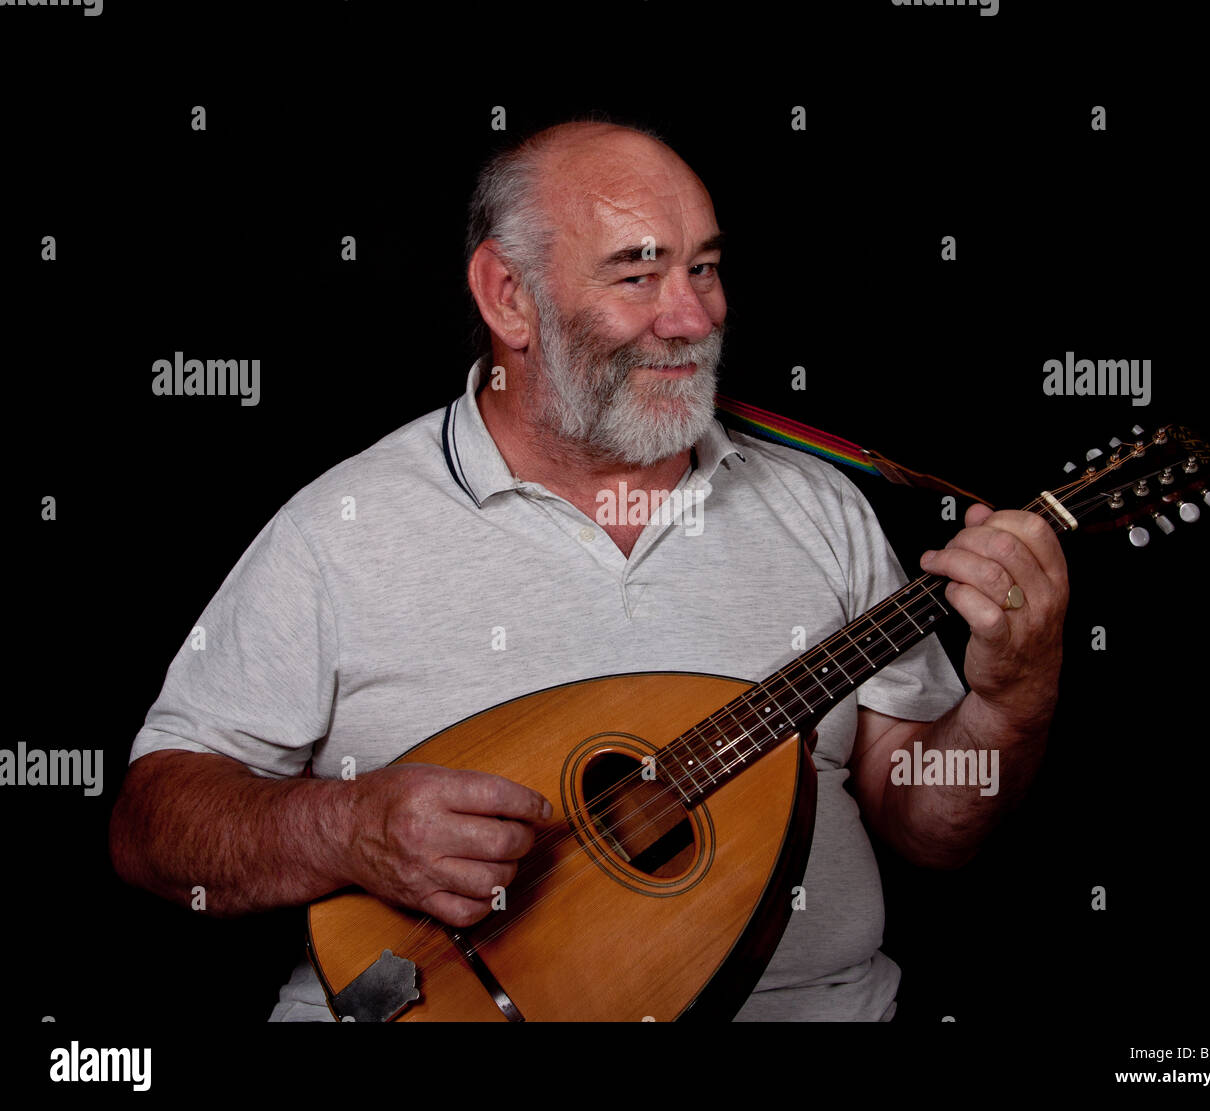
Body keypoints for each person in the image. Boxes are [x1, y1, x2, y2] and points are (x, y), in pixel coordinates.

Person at [109, 119, 1068, 1022]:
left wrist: (1011, 701)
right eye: (638, 276)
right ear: (508, 297)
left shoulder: (817, 508)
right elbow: (154, 826)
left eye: (705, 268)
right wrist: (345, 827)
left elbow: (931, 826)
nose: (693, 316)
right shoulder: (343, 527)